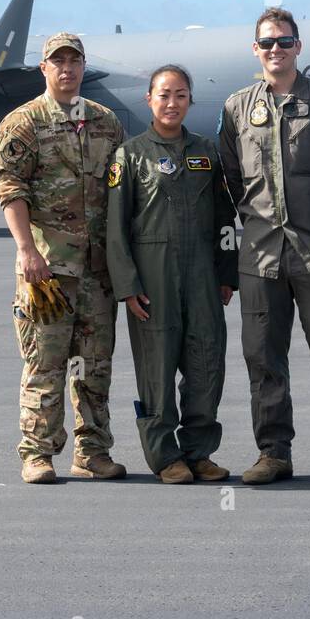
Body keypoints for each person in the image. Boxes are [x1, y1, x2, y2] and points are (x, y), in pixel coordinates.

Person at [218, 8, 310, 487]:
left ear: (299, 46)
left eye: (284, 42)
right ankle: (273, 452)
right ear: (254, 50)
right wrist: (256, 223)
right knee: (262, 357)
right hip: (260, 255)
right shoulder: (236, 108)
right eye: (266, 43)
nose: (275, 50)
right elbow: (231, 177)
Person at [0, 32, 126, 485]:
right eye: (57, 61)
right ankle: (37, 453)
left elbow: (121, 190)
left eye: (75, 61)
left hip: (97, 271)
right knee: (45, 364)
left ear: (84, 67)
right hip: (47, 271)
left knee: (95, 366)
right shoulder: (23, 122)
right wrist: (26, 250)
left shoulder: (107, 123)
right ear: (43, 69)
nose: (67, 69)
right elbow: (9, 187)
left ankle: (92, 452)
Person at [106, 66, 238, 484]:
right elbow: (115, 229)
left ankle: (199, 451)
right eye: (164, 95)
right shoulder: (129, 155)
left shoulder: (207, 153)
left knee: (206, 366)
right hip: (153, 280)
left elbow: (225, 219)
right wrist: (127, 287)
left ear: (189, 101)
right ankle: (165, 458)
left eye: (181, 95)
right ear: (149, 99)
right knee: (157, 372)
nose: (172, 103)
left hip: (201, 276)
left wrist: (227, 275)